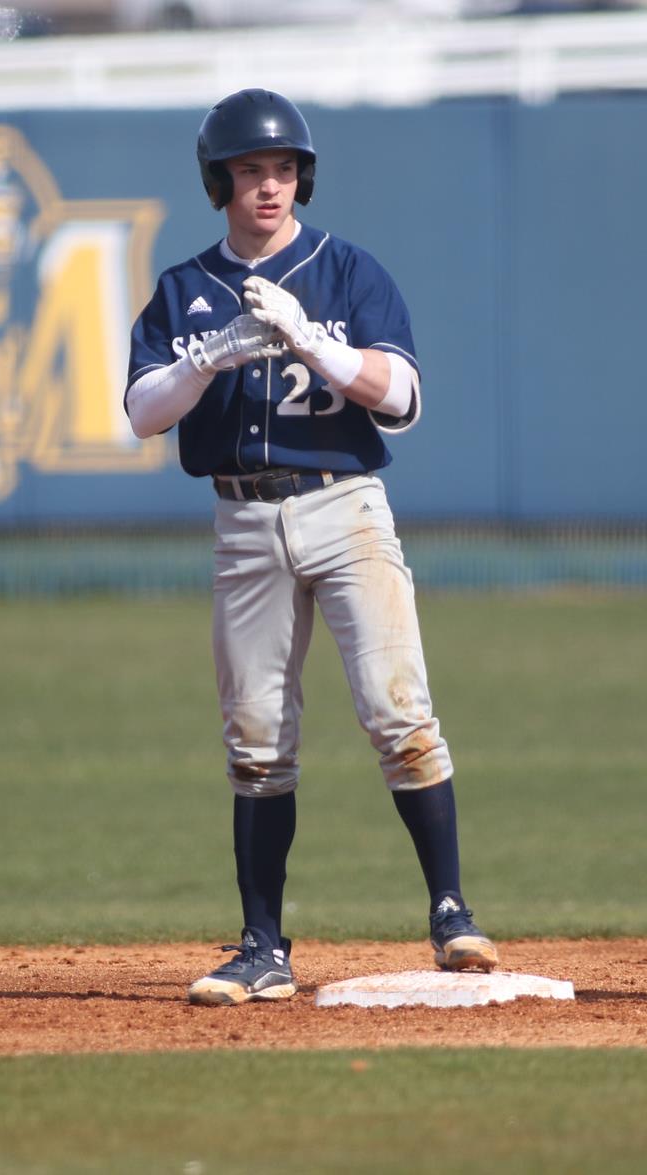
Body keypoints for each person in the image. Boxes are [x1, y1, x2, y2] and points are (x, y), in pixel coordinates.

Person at [123, 88, 497, 1006]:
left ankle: (451, 911)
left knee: (398, 710)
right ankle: (262, 945)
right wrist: (207, 356)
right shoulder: (184, 288)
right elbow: (140, 413)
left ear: (304, 178)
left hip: (344, 507)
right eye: (251, 170)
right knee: (255, 737)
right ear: (220, 181)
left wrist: (311, 344)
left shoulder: (347, 271)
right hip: (242, 520)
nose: (269, 186)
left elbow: (403, 398)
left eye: (283, 169)